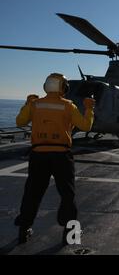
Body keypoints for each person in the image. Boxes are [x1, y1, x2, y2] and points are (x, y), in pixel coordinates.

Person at [14, 73, 95, 245]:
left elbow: (20, 122)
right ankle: (71, 234)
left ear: (46, 86)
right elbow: (86, 126)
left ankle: (24, 229)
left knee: (32, 193)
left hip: (38, 154)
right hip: (61, 155)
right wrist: (89, 108)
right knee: (67, 194)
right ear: (63, 87)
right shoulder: (68, 106)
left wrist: (27, 104)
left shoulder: (35, 104)